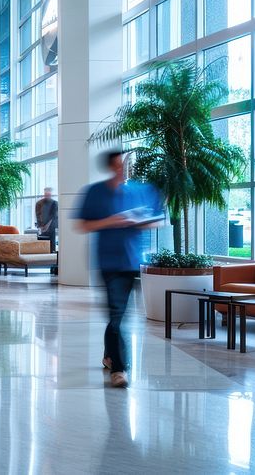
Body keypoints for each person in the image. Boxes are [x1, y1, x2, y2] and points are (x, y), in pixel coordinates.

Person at [75, 150, 163, 389]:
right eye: (117, 165)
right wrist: (111, 221)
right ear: (109, 167)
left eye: (123, 164)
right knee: (116, 314)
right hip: (108, 261)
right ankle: (119, 369)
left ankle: (108, 355)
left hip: (131, 260)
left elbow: (158, 220)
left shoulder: (140, 191)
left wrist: (140, 222)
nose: (122, 169)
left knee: (119, 315)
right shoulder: (95, 192)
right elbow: (82, 225)